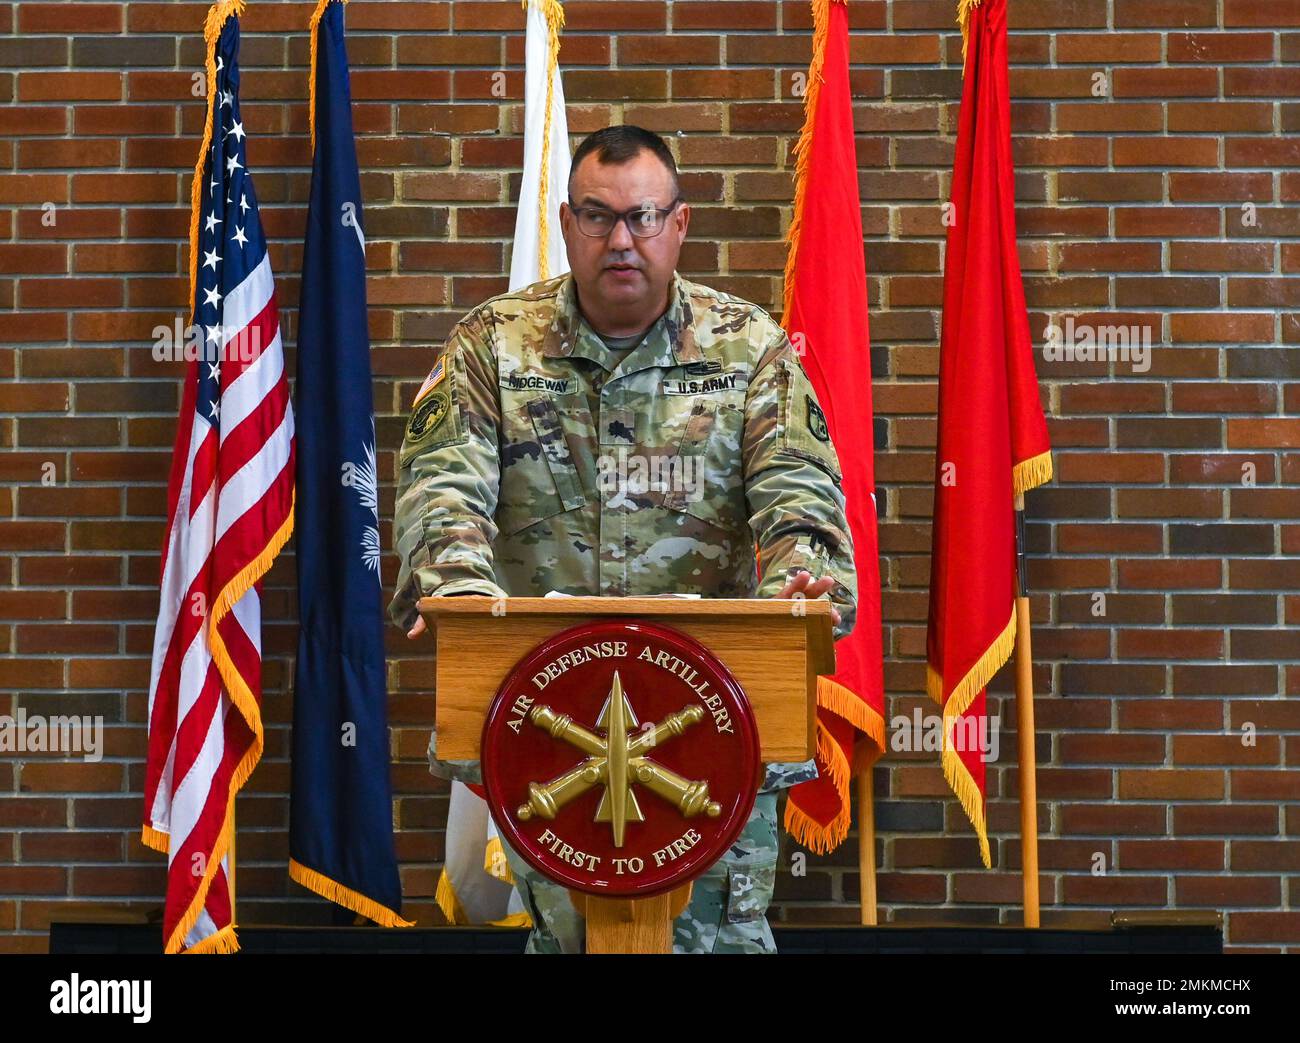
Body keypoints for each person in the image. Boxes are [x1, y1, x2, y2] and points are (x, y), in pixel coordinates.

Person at [389, 125, 857, 953]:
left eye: (643, 218)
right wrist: (453, 579)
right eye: (598, 218)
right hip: (542, 719)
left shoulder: (749, 350)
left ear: (680, 225)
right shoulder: (494, 345)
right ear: (567, 224)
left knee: (724, 945)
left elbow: (800, 498)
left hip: (718, 725)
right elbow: (443, 483)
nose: (621, 240)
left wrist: (803, 583)